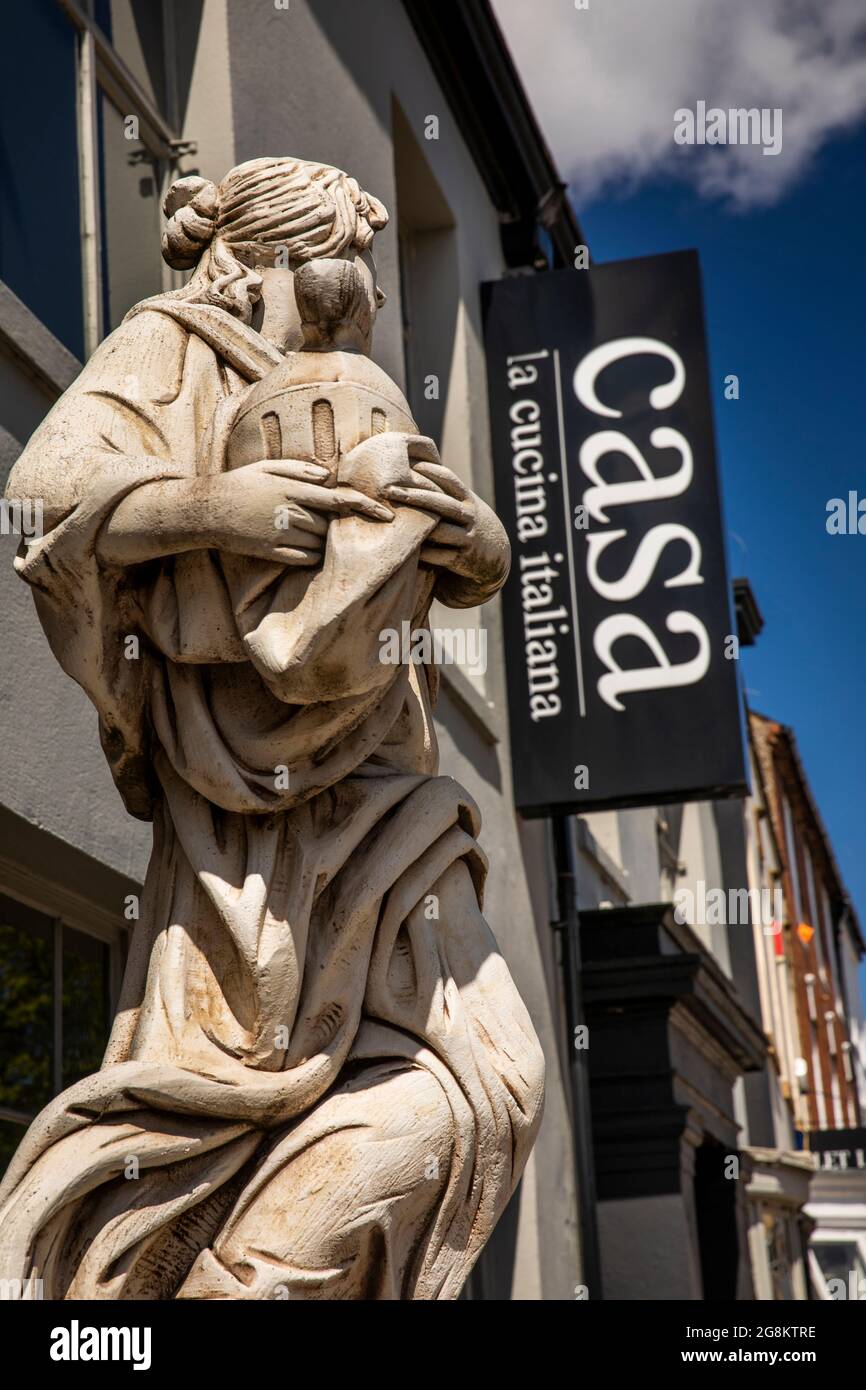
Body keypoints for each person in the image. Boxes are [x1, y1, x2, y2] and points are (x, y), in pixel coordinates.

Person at [0, 157, 544, 1300]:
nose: (363, 294)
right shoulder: (174, 340)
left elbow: (447, 561)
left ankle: (252, 1277)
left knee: (494, 1078)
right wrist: (212, 505)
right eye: (340, 260)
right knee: (241, 1090)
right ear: (262, 260)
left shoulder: (345, 385)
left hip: (390, 788)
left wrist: (473, 537)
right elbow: (39, 493)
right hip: (247, 816)